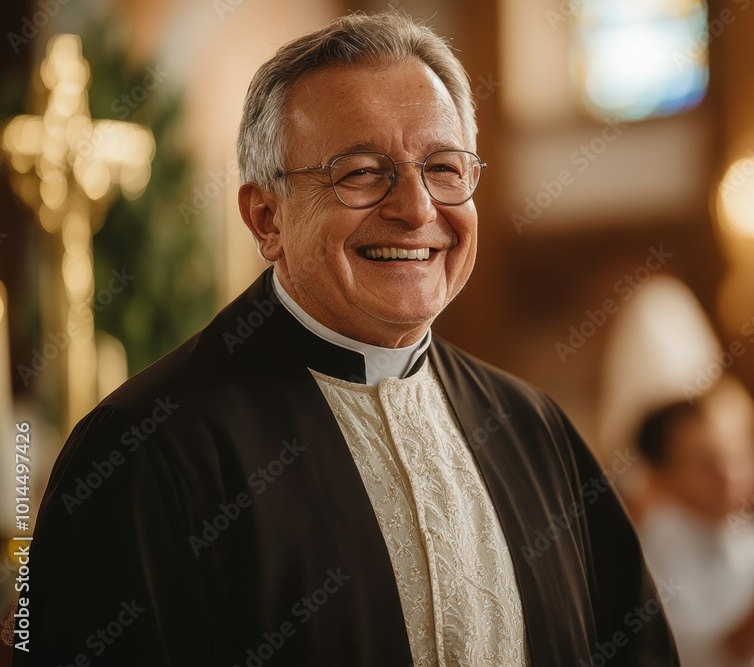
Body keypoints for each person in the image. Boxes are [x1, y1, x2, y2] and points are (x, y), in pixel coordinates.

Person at [13, 13, 678, 666]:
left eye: (444, 167)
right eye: (361, 172)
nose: (417, 209)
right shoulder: (146, 454)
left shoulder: (535, 432)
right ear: (266, 217)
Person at [636, 375, 754, 667]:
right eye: (706, 464)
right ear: (661, 476)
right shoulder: (648, 564)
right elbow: (683, 655)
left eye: (737, 455)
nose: (728, 475)